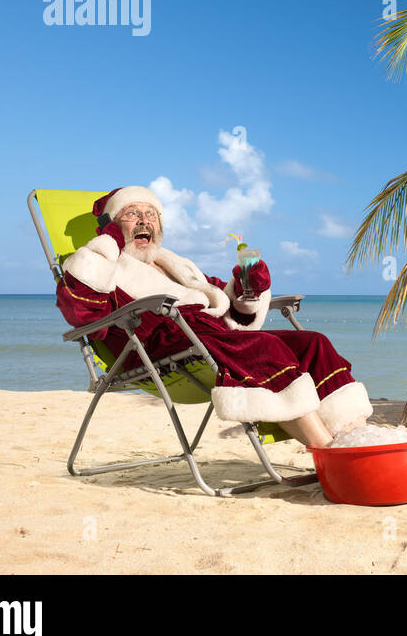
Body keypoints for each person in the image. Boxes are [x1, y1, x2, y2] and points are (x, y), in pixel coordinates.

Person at [55, 186, 370, 448]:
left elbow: (228, 306)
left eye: (151, 214)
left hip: (212, 340)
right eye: (132, 214)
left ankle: (356, 437)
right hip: (163, 351)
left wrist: (249, 286)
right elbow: (81, 311)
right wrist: (106, 245)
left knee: (313, 343)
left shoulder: (177, 265)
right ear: (111, 226)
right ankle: (324, 450)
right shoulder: (104, 267)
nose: (144, 221)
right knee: (262, 348)